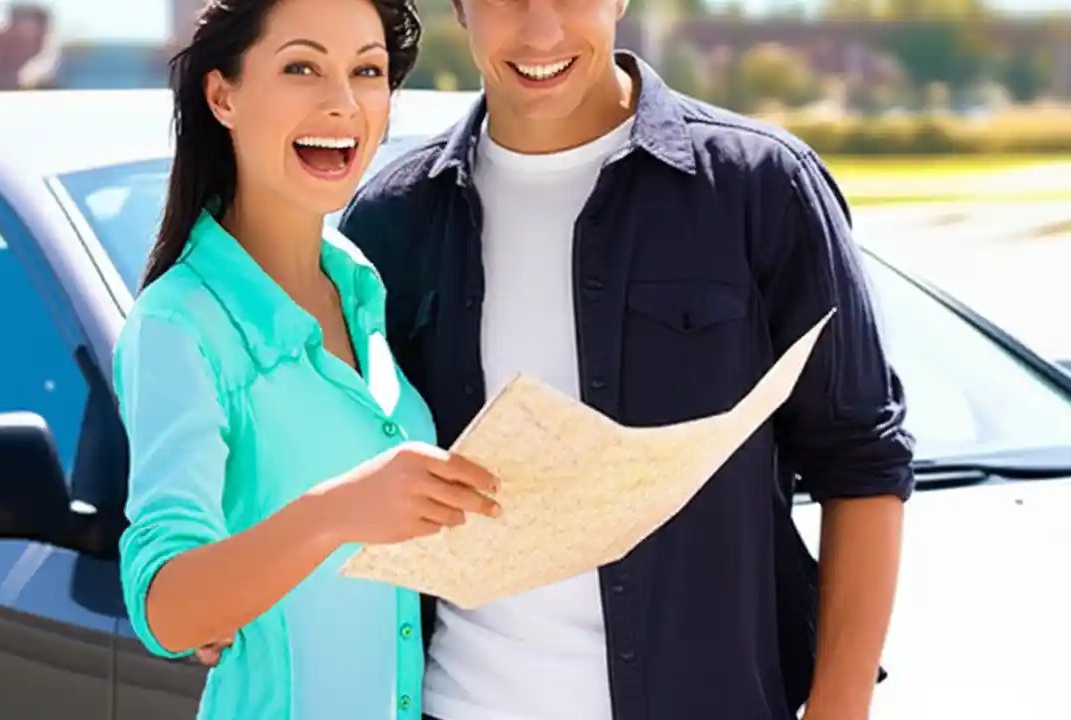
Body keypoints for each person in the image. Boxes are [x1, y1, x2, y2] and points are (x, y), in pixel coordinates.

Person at [336, 1, 915, 719]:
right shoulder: (392, 220)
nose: (540, 30)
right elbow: (336, 475)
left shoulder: (761, 188)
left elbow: (862, 459)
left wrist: (840, 706)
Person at [112, 0, 502, 718]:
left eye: (368, 71)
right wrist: (336, 514)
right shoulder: (179, 325)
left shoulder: (358, 282)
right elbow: (167, 609)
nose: (343, 102)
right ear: (223, 95)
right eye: (302, 67)